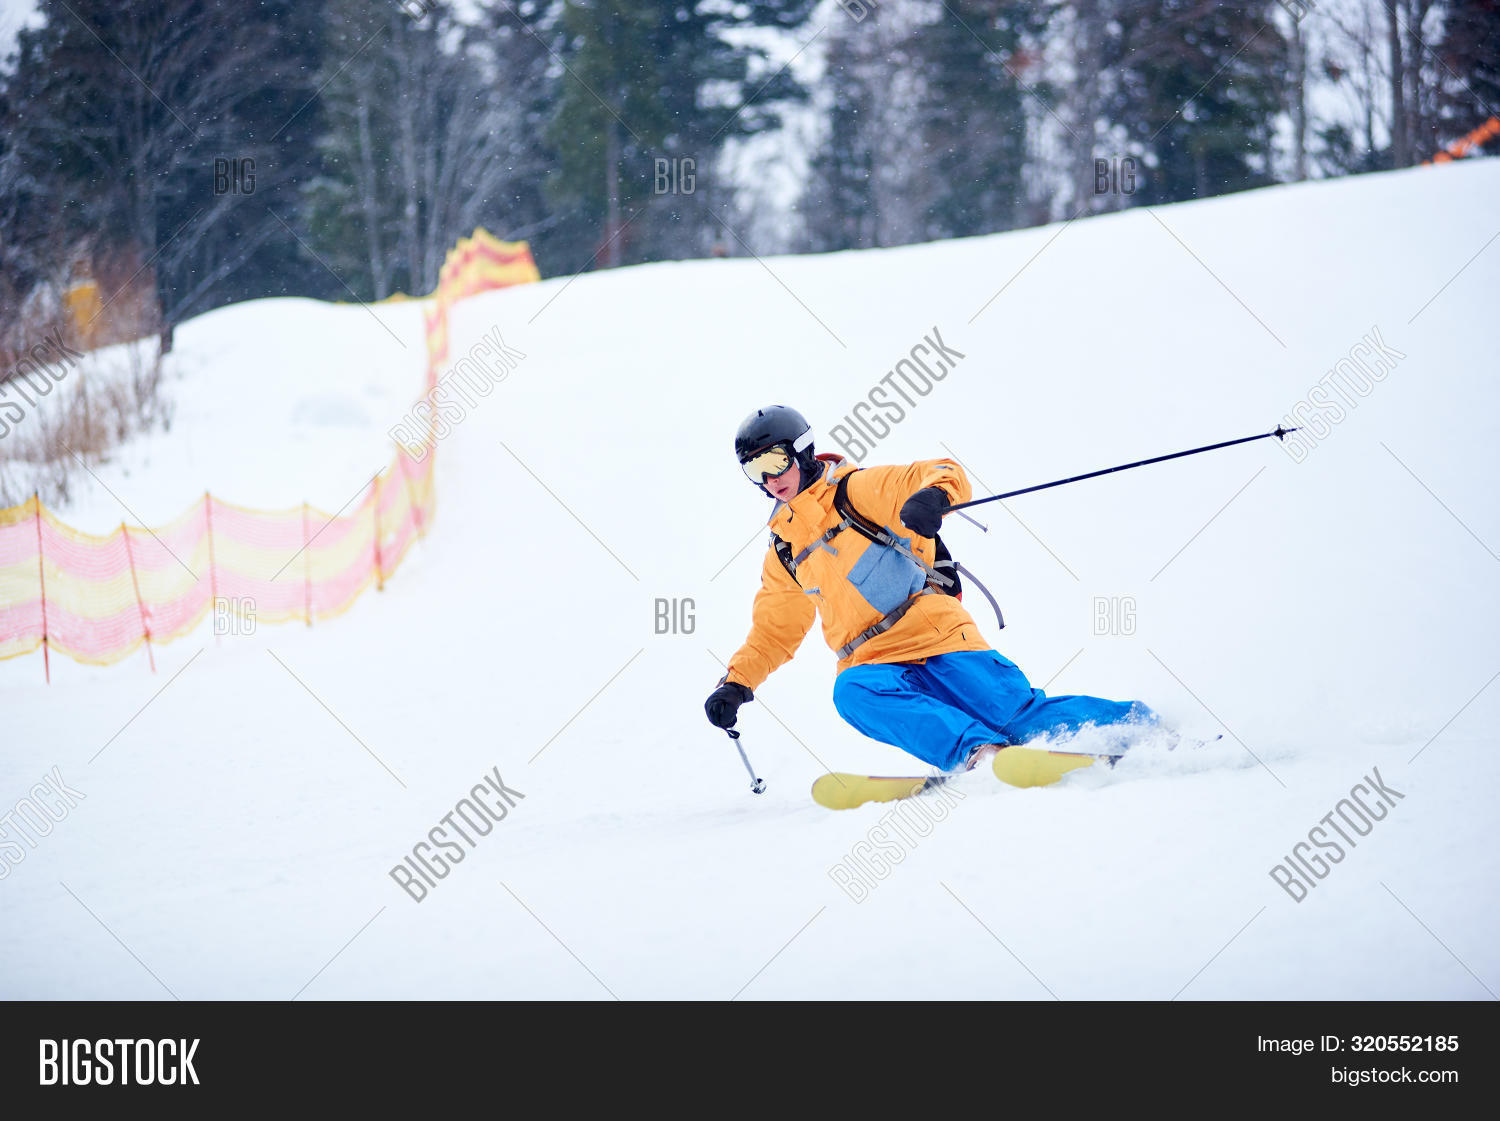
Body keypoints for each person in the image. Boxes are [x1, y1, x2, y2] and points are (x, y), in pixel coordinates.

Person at [704, 405, 1159, 775]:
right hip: (872, 662)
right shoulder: (785, 549)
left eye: (775, 461)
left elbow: (941, 470)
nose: (769, 478)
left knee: (1019, 718)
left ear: (802, 452)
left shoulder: (857, 491)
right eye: (754, 469)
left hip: (938, 635)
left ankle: (1149, 729)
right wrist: (737, 683)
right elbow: (774, 631)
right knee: (853, 692)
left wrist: (935, 497)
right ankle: (980, 755)